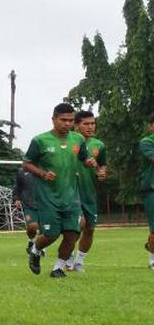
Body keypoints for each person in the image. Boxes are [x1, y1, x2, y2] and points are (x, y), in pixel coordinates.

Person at [24, 103, 95, 278]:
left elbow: (84, 158)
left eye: (71, 120)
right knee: (51, 234)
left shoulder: (78, 139)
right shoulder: (40, 140)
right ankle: (35, 250)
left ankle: (58, 268)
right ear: (54, 119)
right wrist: (42, 173)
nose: (67, 123)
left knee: (72, 233)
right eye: (63, 120)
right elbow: (26, 163)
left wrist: (89, 162)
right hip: (48, 198)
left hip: (71, 197)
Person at [72, 110, 107, 271]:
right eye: (86, 123)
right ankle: (67, 259)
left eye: (93, 123)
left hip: (89, 192)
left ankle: (79, 262)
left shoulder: (99, 145)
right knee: (79, 224)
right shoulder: (69, 142)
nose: (90, 127)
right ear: (76, 125)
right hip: (71, 191)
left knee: (90, 229)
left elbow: (102, 166)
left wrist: (102, 172)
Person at [12, 167, 41, 256]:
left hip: (45, 204)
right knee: (32, 226)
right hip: (28, 204)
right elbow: (17, 186)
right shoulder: (22, 171)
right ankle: (31, 241)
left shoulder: (46, 169)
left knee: (45, 228)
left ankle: (40, 247)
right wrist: (16, 198)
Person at [140, 114, 154, 268]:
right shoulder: (147, 142)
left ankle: (150, 245)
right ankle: (153, 260)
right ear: (151, 126)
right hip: (152, 189)